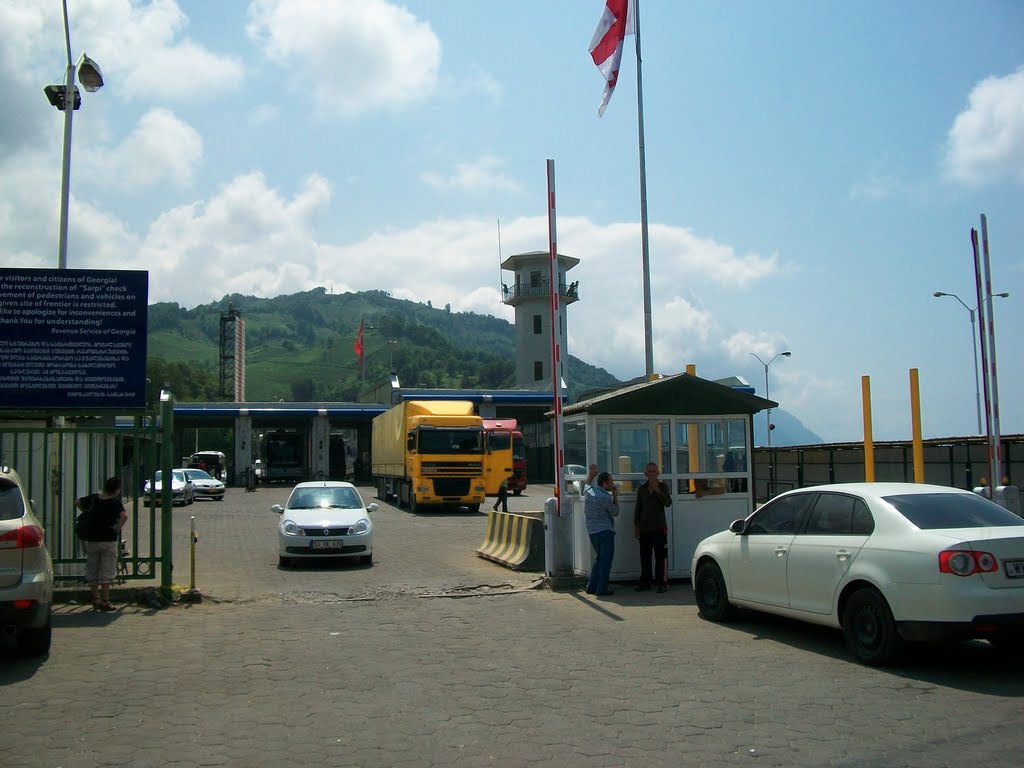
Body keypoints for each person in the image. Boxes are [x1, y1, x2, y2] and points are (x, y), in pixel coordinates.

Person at [77, 476, 128, 611]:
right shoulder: (114, 502)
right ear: (116, 490)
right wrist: (117, 527)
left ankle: (96, 599)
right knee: (107, 570)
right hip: (108, 539)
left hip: (92, 539)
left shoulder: (94, 499)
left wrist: (88, 513)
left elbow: (77, 502)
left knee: (92, 569)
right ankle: (105, 601)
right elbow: (124, 516)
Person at [633, 462, 672, 593]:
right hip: (645, 528)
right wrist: (636, 526)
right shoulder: (642, 489)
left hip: (659, 528)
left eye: (654, 471)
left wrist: (657, 490)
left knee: (661, 557)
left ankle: (662, 583)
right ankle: (645, 582)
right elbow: (638, 508)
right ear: (645, 474)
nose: (651, 473)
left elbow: (668, 503)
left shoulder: (663, 486)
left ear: (658, 473)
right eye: (649, 471)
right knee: (645, 557)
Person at [582, 464, 618, 597]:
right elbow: (615, 512)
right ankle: (602, 589)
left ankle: (591, 586)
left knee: (599, 559)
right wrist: (615, 496)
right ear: (604, 484)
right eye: (611, 482)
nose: (612, 484)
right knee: (606, 561)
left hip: (592, 532)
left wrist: (591, 476)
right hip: (605, 532)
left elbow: (585, 485)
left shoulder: (589, 492)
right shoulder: (605, 498)